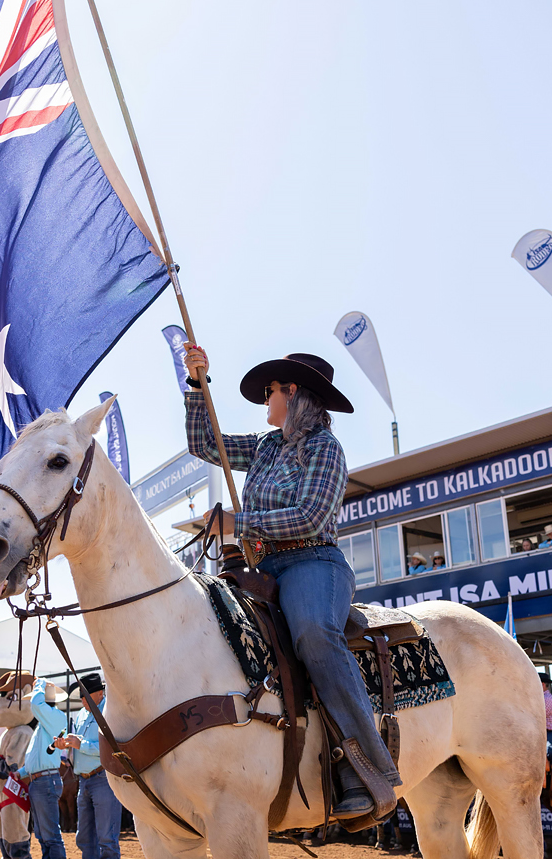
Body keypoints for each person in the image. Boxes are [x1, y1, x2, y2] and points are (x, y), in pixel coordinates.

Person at [182, 345, 401, 818]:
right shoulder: (264, 447)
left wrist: (236, 525)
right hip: (262, 569)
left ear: (294, 393)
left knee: (313, 634)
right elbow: (205, 443)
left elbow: (308, 517)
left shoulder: (326, 448)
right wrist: (197, 384)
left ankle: (368, 770)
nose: (265, 403)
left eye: (270, 394)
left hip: (313, 563)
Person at [55, 673, 123, 859]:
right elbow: (77, 744)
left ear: (99, 693)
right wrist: (66, 745)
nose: (82, 699)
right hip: (83, 781)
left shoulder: (111, 712)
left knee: (107, 839)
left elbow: (112, 747)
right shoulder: (82, 714)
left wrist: (80, 744)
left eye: (85, 695)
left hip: (104, 779)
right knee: (84, 838)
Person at [8, 676, 71, 859]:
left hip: (44, 782)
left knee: (49, 835)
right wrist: (20, 773)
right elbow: (36, 760)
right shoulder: (46, 724)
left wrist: (40, 684)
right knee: (44, 835)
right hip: (42, 781)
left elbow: (36, 704)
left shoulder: (55, 718)